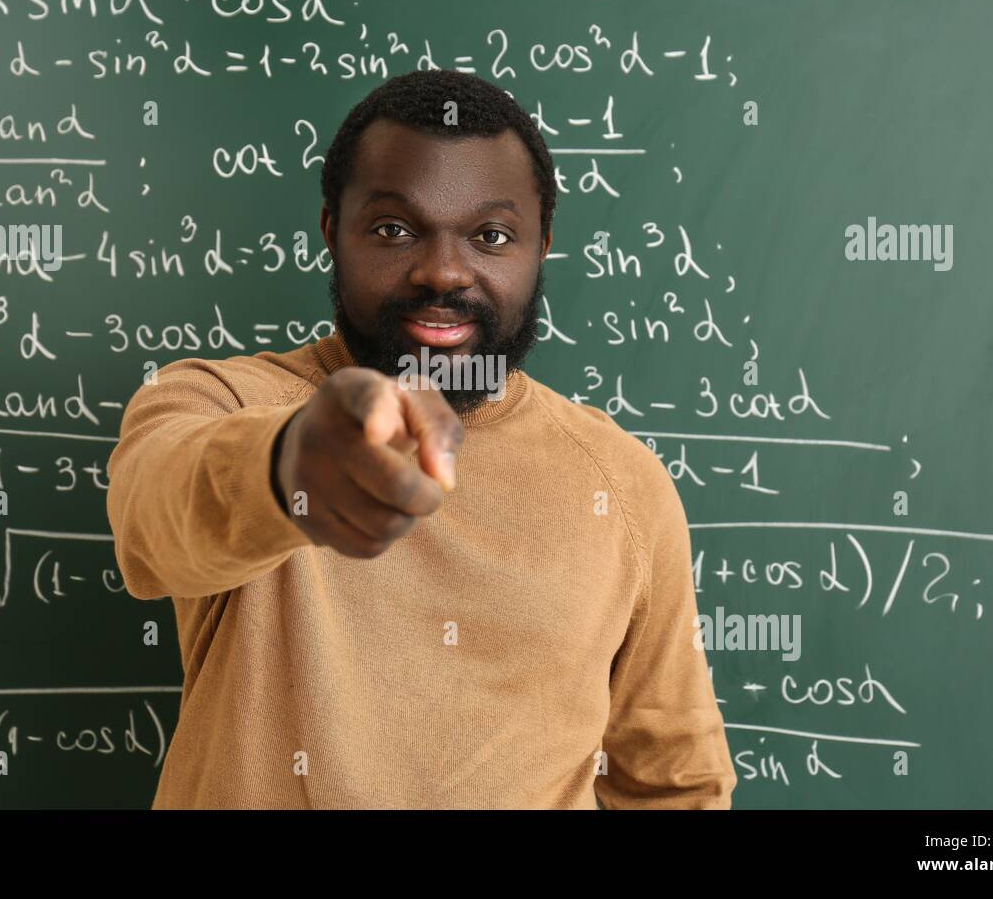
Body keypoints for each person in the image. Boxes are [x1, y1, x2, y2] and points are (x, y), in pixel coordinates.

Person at [106, 69, 736, 808]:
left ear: (542, 249)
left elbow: (672, 783)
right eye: (394, 230)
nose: (442, 271)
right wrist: (291, 467)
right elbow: (153, 528)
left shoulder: (624, 485)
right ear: (331, 232)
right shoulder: (218, 401)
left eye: (491, 236)